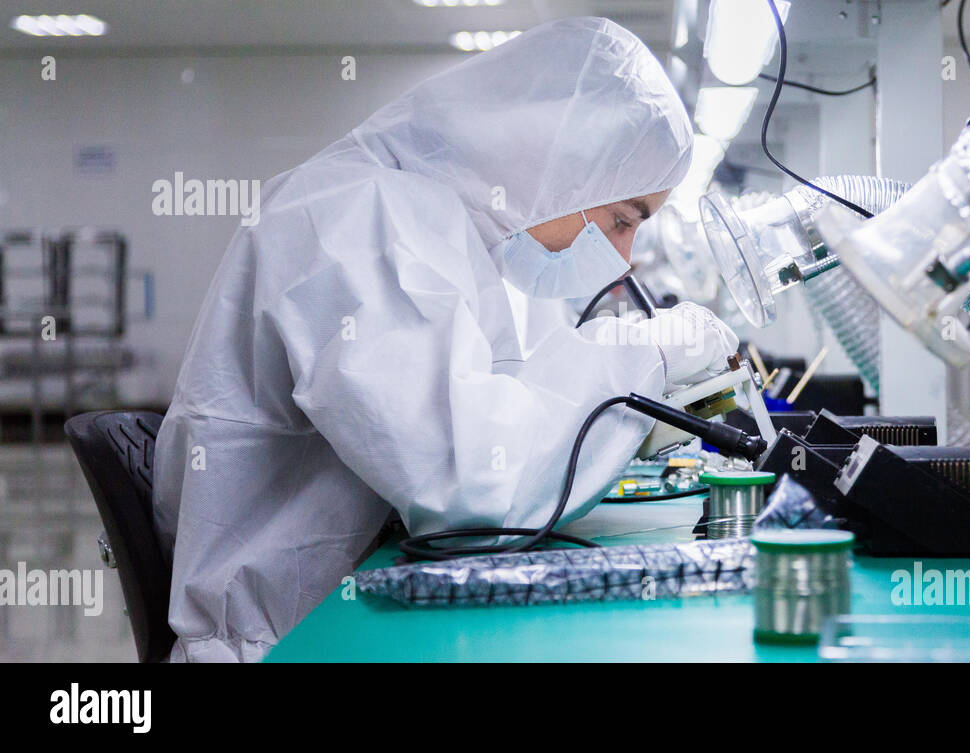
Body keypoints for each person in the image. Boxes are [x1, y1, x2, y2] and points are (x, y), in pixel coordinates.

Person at [153, 17, 739, 662]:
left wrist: (626, 358)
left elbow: (492, 409)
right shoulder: (357, 218)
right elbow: (473, 487)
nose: (625, 257)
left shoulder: (440, 228)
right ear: (565, 166)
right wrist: (647, 354)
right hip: (284, 642)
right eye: (623, 219)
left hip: (356, 612)